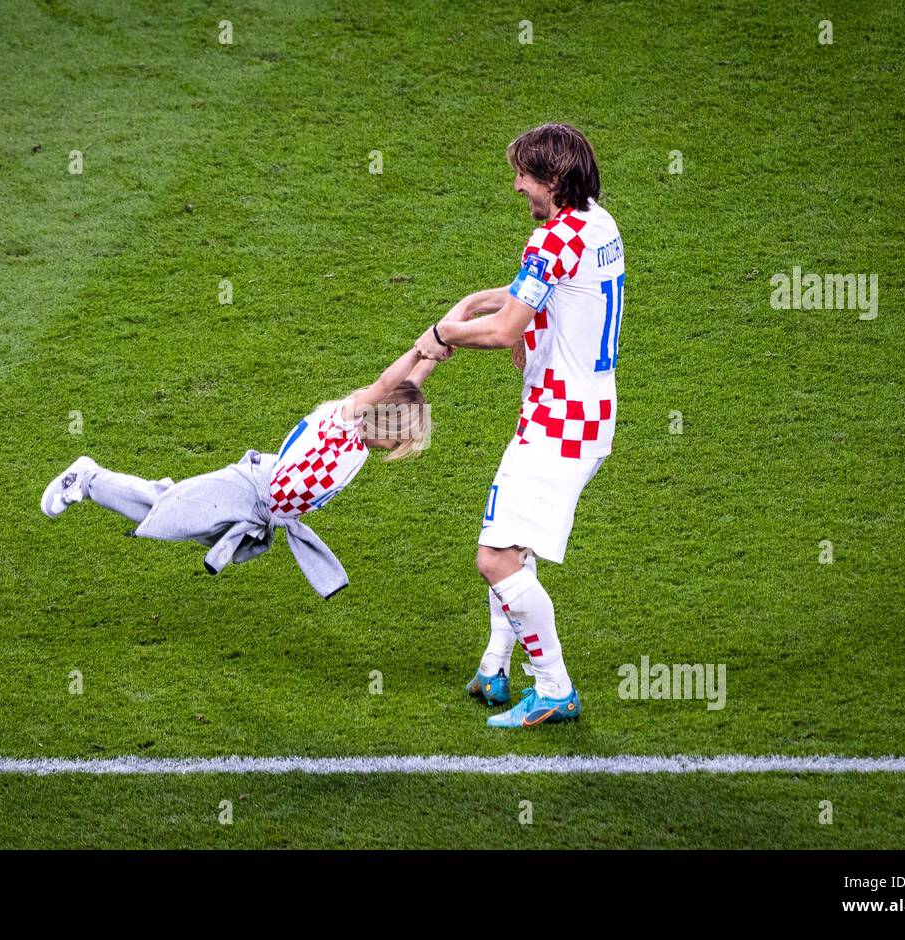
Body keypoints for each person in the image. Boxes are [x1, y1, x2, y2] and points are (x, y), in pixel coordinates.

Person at [415, 123, 626, 728]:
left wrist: (442, 335)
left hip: (561, 423)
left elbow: (508, 329)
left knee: (495, 556)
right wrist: (484, 300)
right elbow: (541, 296)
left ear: (553, 181)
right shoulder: (598, 226)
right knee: (509, 530)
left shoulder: (550, 242)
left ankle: (555, 687)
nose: (516, 186)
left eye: (524, 176)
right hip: (581, 411)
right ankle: (494, 668)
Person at [41, 346, 437, 598]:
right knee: (163, 513)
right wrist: (425, 343)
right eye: (398, 437)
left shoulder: (360, 443)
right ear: (383, 418)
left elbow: (403, 386)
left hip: (258, 512)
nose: (397, 447)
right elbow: (388, 383)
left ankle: (162, 491)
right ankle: (87, 479)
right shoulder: (345, 422)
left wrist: (432, 357)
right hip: (249, 490)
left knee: (174, 510)